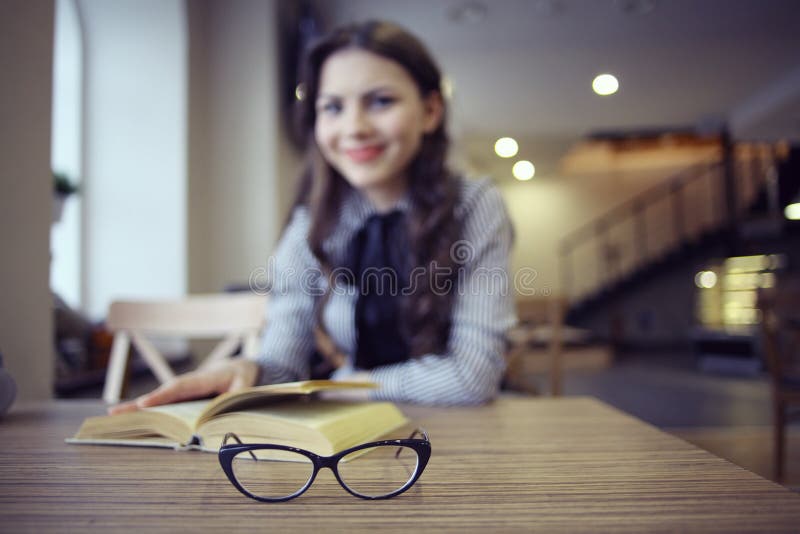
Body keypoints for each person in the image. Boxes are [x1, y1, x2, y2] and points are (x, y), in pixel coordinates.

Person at [111, 20, 515, 413]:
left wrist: (344, 385)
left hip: (461, 436)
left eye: (381, 101)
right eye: (333, 107)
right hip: (351, 432)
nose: (353, 127)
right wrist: (248, 369)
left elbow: (471, 377)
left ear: (430, 111)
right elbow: (283, 361)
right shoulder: (313, 221)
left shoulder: (475, 205)